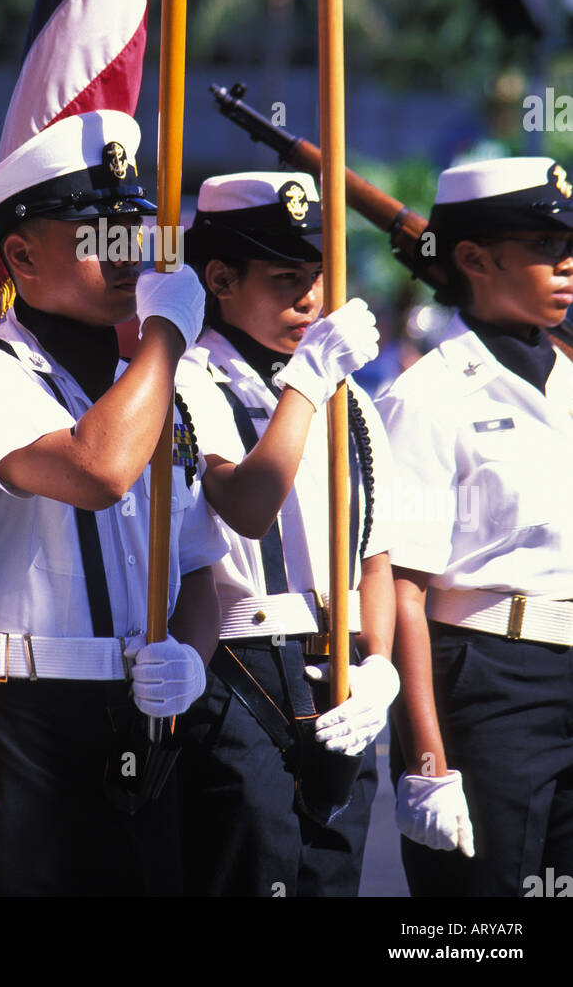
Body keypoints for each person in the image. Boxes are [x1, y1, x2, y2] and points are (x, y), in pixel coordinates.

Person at [0, 110, 227, 897]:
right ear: (22, 252)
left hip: (146, 715)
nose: (128, 252)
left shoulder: (154, 388)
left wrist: (191, 661)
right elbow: (98, 470)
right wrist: (165, 334)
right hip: (29, 718)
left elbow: (197, 572)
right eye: (99, 233)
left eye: (135, 229)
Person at [175, 172, 399, 897]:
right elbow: (246, 506)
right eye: (283, 279)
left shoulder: (349, 399)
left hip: (344, 669)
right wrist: (307, 380)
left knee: (331, 876)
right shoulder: (189, 381)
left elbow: (377, 557)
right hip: (243, 667)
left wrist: (381, 668)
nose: (309, 298)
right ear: (220, 277)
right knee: (254, 868)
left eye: (315, 275)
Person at [378, 157, 573, 897]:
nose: (566, 263)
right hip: (489, 679)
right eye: (543, 247)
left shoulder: (565, 375)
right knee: (475, 928)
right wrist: (426, 760)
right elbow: (403, 594)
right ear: (473, 258)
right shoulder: (428, 396)